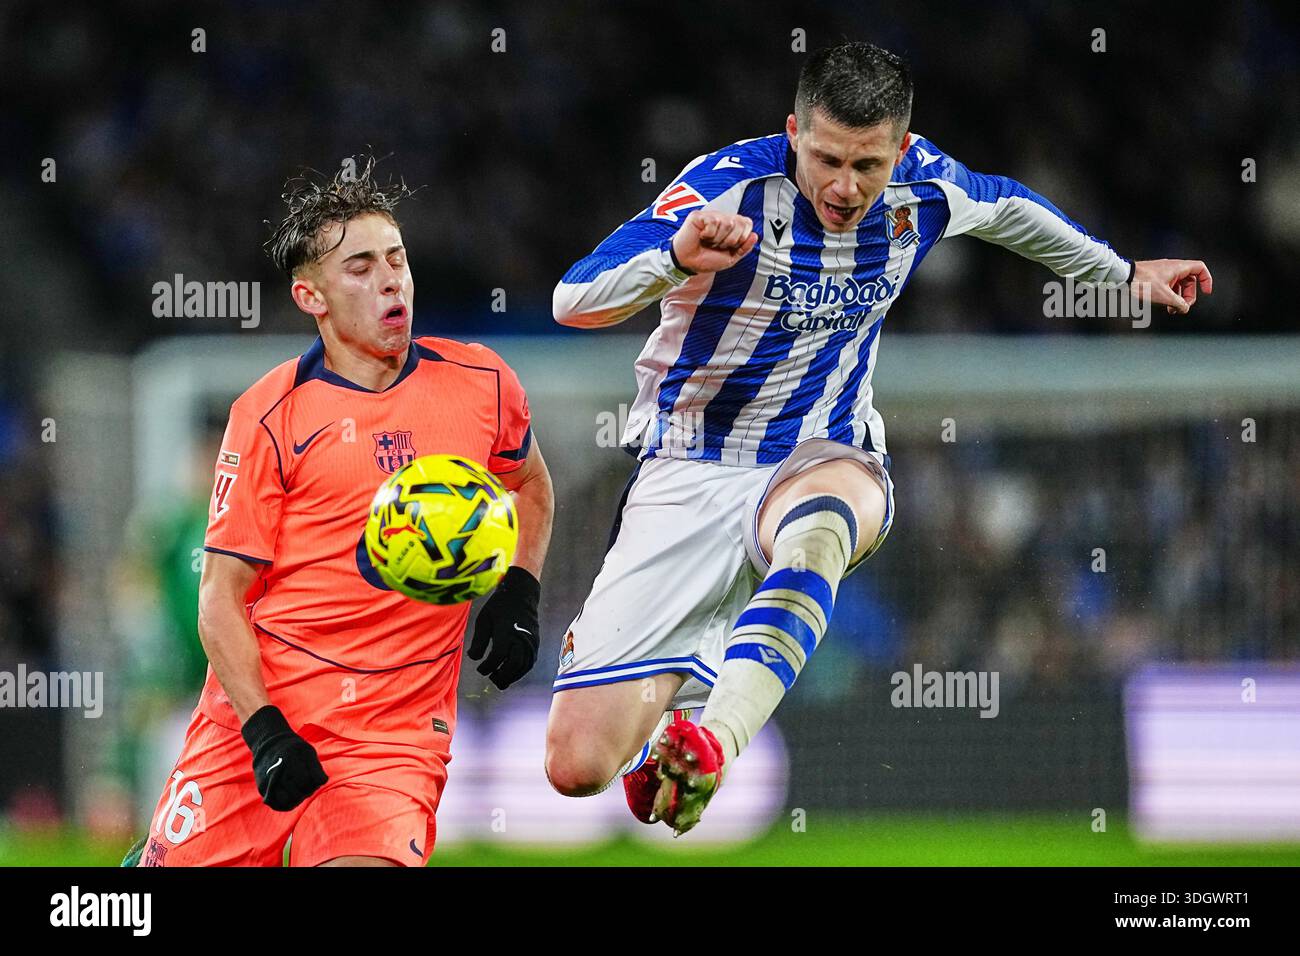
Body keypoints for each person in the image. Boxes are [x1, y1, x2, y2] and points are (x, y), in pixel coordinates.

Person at [545, 41, 1210, 835]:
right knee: (577, 767)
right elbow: (572, 299)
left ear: (901, 147)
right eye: (826, 159)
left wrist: (1124, 273)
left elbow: (1006, 208)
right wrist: (673, 256)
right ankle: (677, 714)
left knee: (822, 526)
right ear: (794, 132)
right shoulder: (727, 189)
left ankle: (711, 744)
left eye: (867, 165)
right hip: (688, 466)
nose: (844, 186)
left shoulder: (924, 188)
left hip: (821, 451)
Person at [133, 157, 554, 866]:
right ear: (312, 295)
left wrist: (520, 588)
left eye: (397, 259)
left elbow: (532, 486)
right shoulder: (269, 415)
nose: (391, 279)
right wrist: (265, 730)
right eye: (360, 266)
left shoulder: (482, 384)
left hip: (392, 736)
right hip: (261, 717)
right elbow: (221, 597)